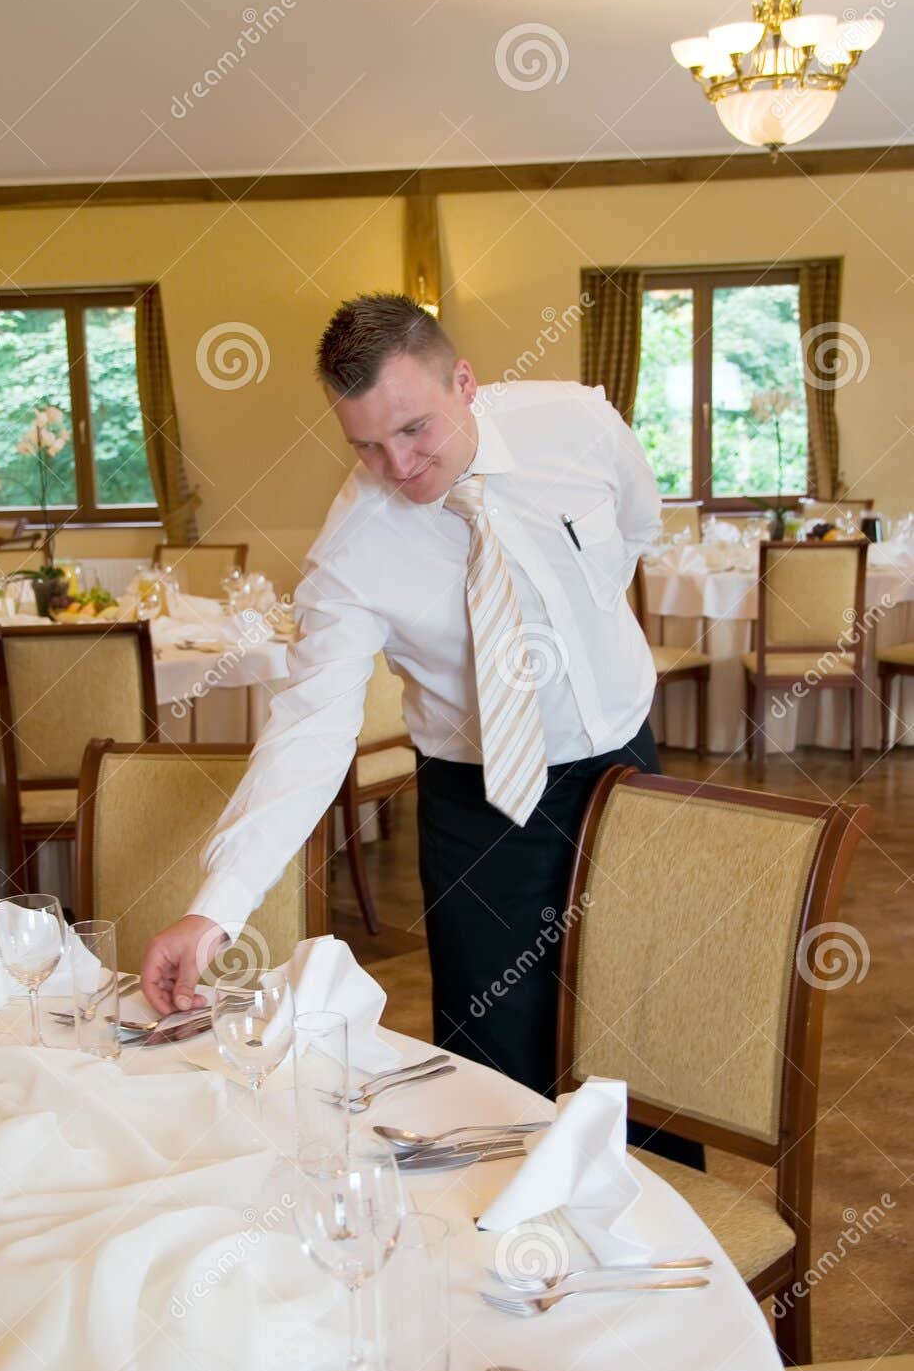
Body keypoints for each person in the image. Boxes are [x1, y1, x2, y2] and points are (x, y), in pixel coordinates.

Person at [142, 292, 700, 1164]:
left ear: (465, 384)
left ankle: (661, 1248)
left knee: (641, 1020)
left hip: (625, 769)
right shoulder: (353, 551)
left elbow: (635, 525)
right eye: (364, 443)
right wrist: (215, 908)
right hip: (480, 805)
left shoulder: (578, 424)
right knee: (493, 1069)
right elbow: (308, 730)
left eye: (413, 430)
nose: (396, 464)